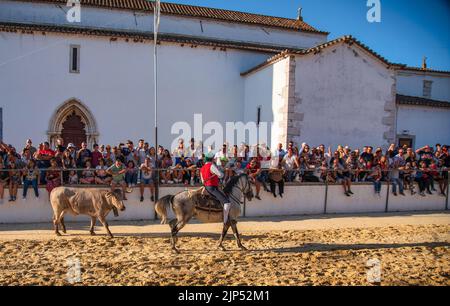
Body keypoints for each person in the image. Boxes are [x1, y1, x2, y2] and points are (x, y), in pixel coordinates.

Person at [200, 154, 232, 225]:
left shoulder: (202, 168)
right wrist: (219, 174)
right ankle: (225, 221)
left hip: (206, 187)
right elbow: (221, 175)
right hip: (212, 188)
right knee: (227, 202)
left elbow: (202, 181)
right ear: (212, 159)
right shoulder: (212, 166)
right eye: (213, 159)